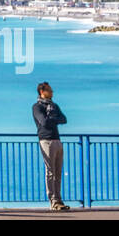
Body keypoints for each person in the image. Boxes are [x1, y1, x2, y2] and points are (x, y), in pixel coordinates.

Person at [32, 81, 69, 211]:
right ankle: (53, 201)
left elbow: (64, 119)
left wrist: (52, 118)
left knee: (58, 172)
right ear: (42, 92)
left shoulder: (54, 106)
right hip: (46, 141)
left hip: (57, 140)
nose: (52, 92)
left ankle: (59, 200)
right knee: (50, 172)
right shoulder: (37, 107)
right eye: (50, 90)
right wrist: (54, 118)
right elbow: (44, 122)